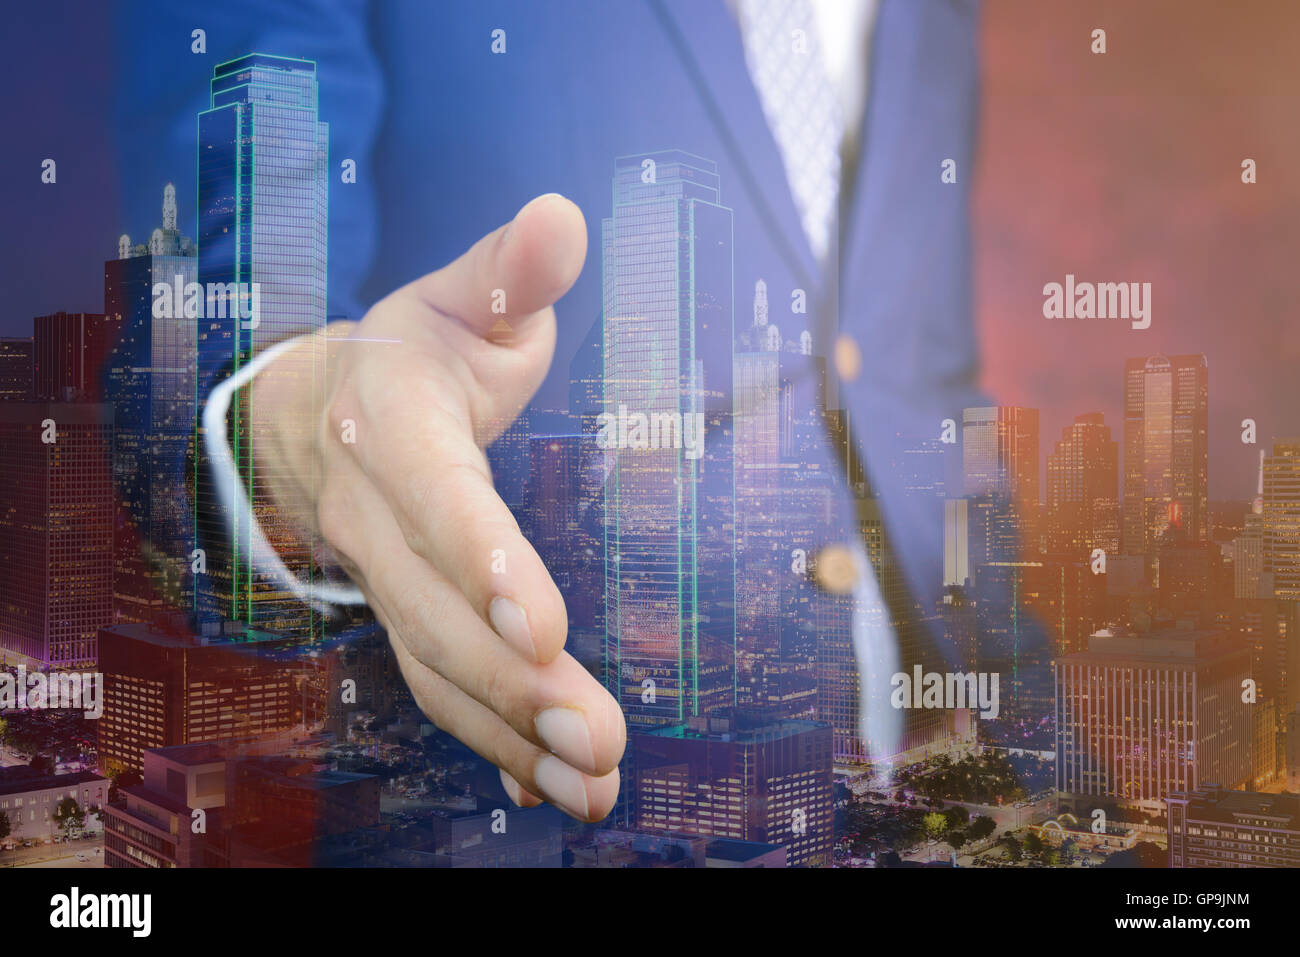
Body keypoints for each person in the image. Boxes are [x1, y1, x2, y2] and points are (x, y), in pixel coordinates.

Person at [115, 0, 987, 823]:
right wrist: (313, 431)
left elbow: (921, 374)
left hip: (904, 755)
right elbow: (221, 274)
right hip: (518, 800)